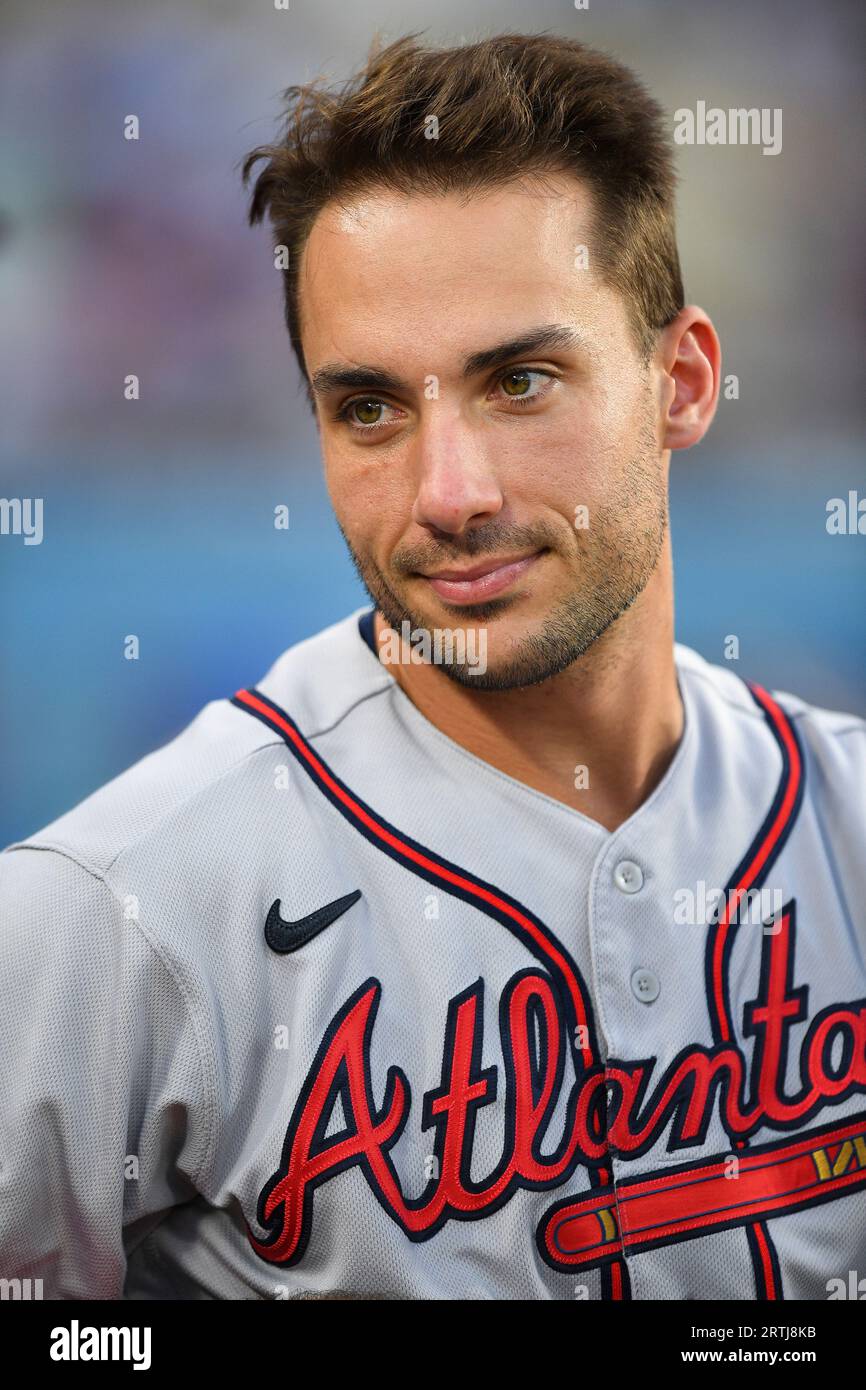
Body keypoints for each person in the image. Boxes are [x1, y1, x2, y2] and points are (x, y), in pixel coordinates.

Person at [2, 32, 864, 1302]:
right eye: (368, 408)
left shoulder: (847, 819)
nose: (447, 495)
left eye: (519, 382)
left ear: (679, 383)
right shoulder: (109, 909)